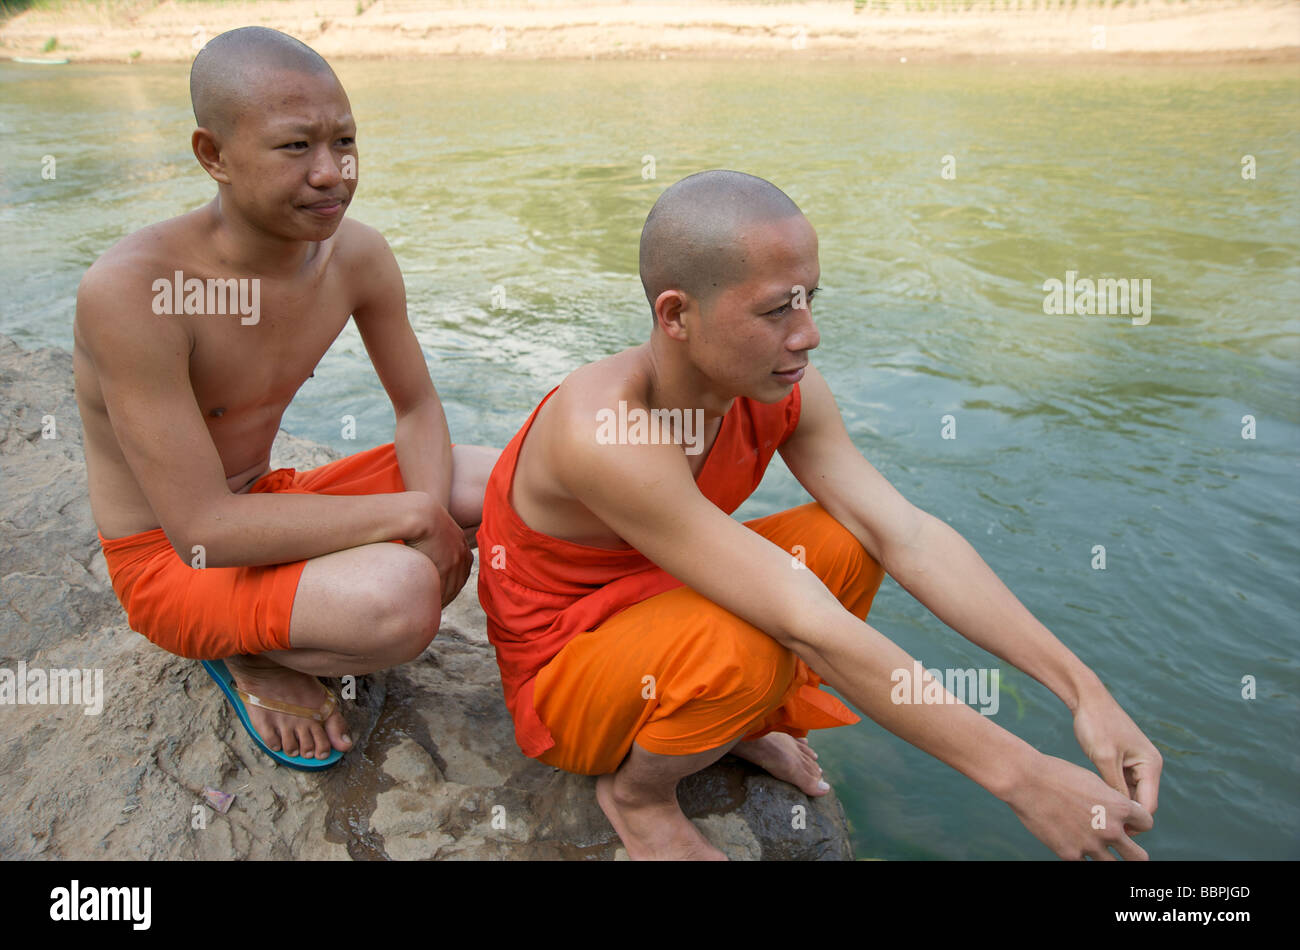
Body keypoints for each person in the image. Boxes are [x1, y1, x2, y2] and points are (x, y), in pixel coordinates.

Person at [477, 169, 1163, 860]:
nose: (808, 336)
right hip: (566, 668)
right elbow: (801, 618)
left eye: (810, 302)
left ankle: (730, 725)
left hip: (663, 602)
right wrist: (1025, 779)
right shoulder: (608, 431)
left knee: (848, 538)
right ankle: (638, 795)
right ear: (677, 315)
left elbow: (909, 533)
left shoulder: (774, 388)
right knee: (759, 642)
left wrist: (1085, 692)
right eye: (777, 311)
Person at [73, 26, 497, 768]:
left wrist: (431, 511)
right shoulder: (137, 292)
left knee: (505, 477)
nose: (332, 173)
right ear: (214, 156)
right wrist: (410, 520)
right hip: (177, 557)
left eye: (345, 142)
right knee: (400, 600)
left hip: (274, 500)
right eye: (296, 147)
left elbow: (417, 409)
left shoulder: (355, 256)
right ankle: (250, 654)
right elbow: (206, 527)